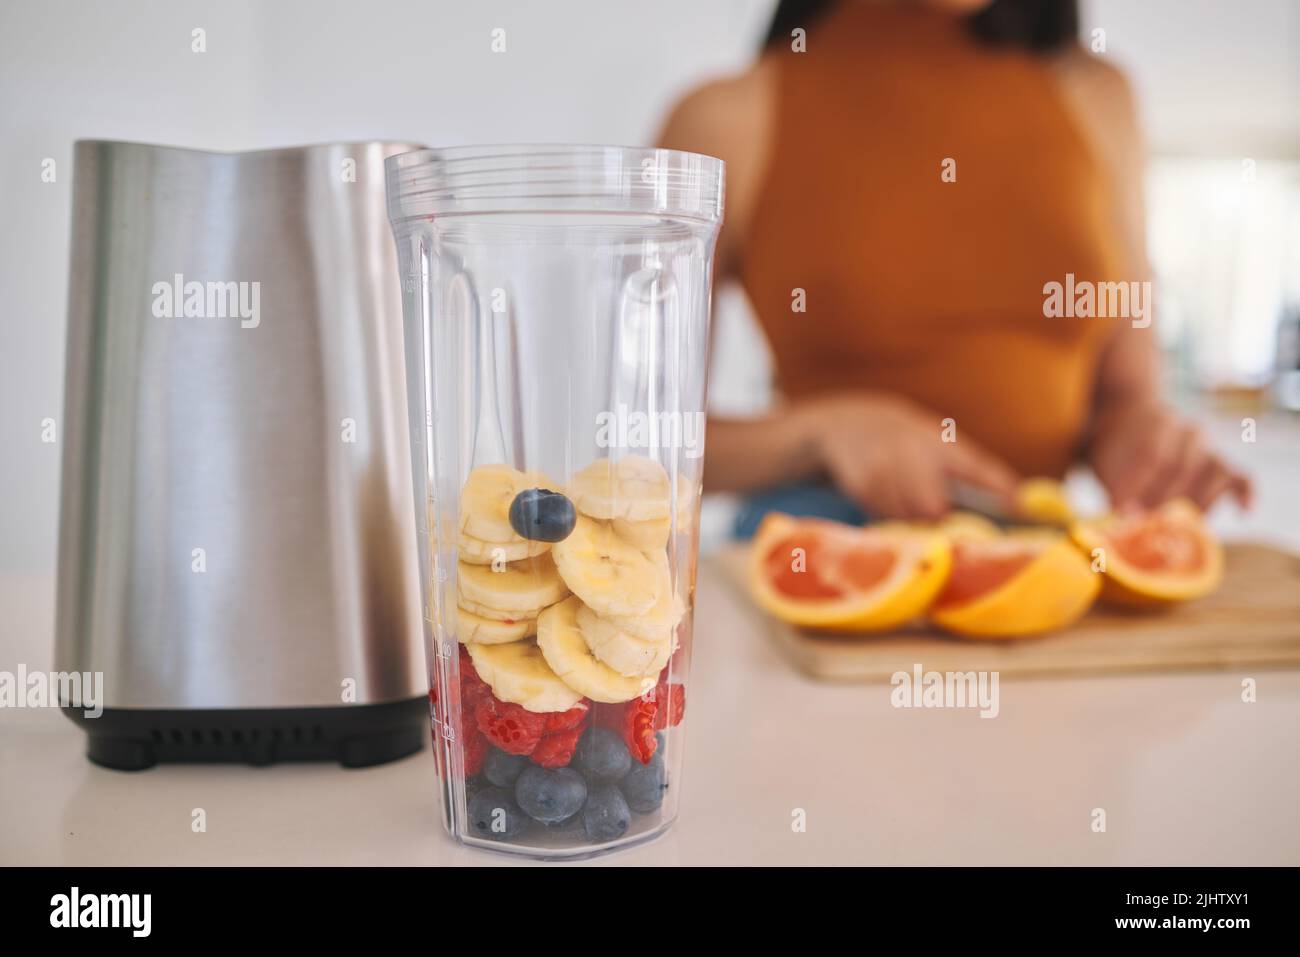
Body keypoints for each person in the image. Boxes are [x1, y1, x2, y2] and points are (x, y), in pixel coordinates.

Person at [655, 0, 1252, 530]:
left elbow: (1124, 399)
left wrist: (1144, 444)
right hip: (818, 545)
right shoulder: (725, 118)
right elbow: (639, 438)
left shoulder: (1100, 96)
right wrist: (824, 432)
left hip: (1037, 552)